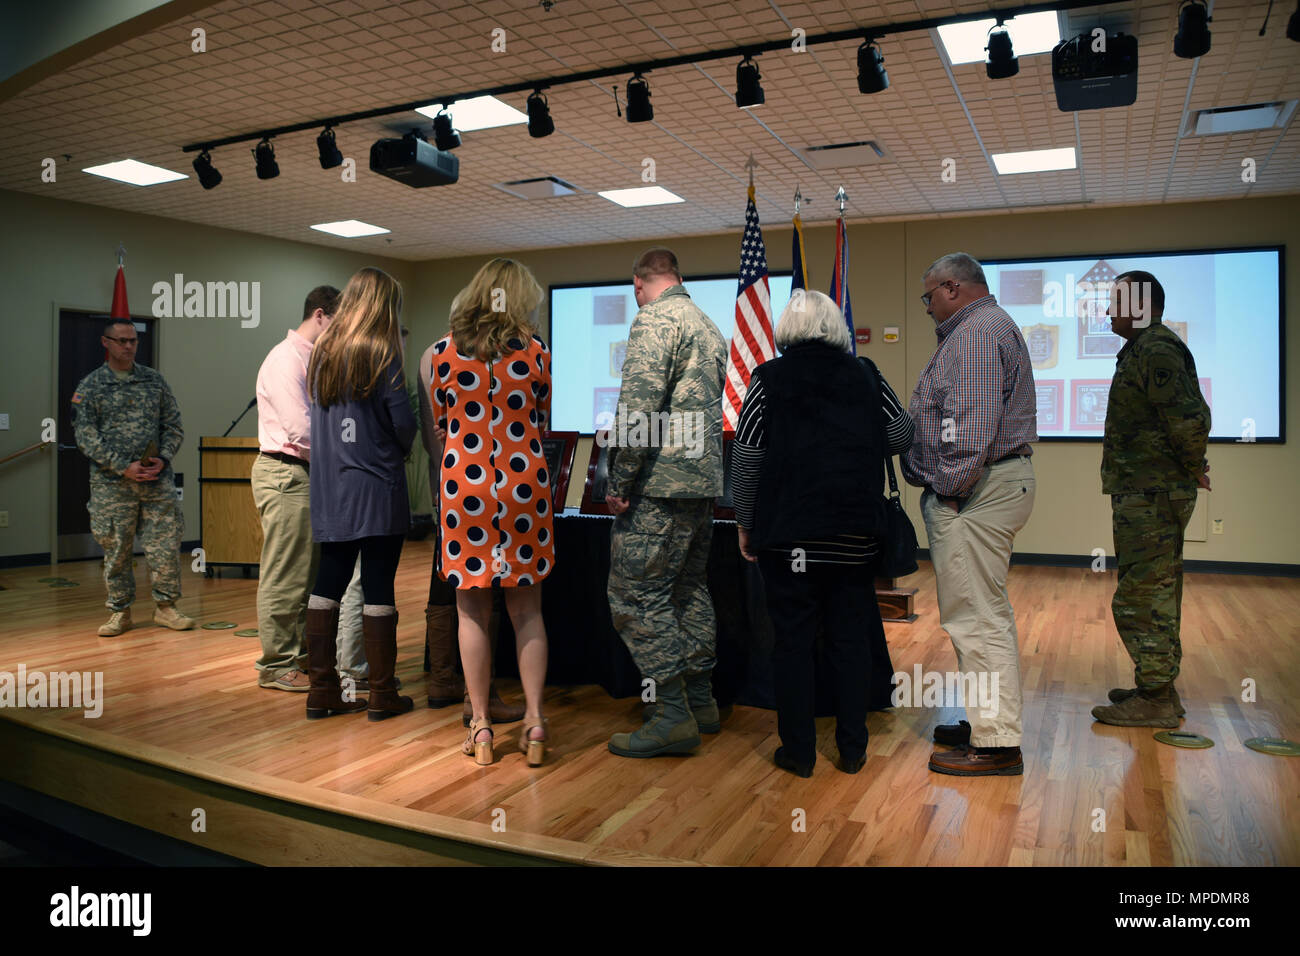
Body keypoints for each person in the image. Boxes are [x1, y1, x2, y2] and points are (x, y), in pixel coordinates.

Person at [733, 291, 913, 777]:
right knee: (850, 640)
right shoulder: (866, 375)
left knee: (792, 642)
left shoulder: (769, 379)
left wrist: (745, 523)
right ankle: (853, 750)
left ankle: (799, 752)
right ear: (836, 327)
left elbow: (747, 457)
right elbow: (902, 436)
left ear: (785, 330)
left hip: (789, 536)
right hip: (855, 533)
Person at [902, 252, 1037, 777]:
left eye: (928, 295)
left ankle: (997, 743)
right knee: (982, 614)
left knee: (977, 620)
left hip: (975, 491)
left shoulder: (977, 334)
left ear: (952, 288)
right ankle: (988, 720)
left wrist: (949, 490)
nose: (928, 306)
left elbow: (971, 429)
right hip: (989, 485)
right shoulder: (984, 327)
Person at [605, 247, 728, 758]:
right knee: (687, 591)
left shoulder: (654, 321)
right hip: (700, 486)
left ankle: (672, 715)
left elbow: (638, 407)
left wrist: (619, 481)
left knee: (637, 598)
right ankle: (701, 703)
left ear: (639, 283)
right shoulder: (707, 323)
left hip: (657, 488)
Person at [430, 258, 554, 766]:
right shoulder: (536, 353)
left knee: (470, 611)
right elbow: (540, 418)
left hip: (466, 488)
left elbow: (441, 422)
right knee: (527, 612)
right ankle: (535, 722)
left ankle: (480, 726)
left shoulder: (443, 352)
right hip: (524, 485)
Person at [1091, 271, 1210, 728]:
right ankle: (1157, 687)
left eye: (1115, 302)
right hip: (1147, 487)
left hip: (1153, 491)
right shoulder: (1146, 348)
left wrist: (1194, 463)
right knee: (1157, 588)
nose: (1107, 312)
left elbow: (1187, 417)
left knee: (1143, 594)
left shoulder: (1157, 349)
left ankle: (1156, 696)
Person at [304, 267, 417, 721]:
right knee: (377, 584)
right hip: (376, 487)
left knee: (327, 581)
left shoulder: (322, 352)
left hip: (331, 487)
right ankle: (382, 694)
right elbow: (403, 423)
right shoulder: (381, 351)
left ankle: (321, 690)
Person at [419, 337, 522, 725]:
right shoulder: (515, 352)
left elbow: (436, 429)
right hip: (497, 487)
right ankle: (476, 696)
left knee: (450, 585)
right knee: (489, 597)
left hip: (451, 483)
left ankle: (445, 684)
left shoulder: (433, 353)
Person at [73, 318, 194, 636]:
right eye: (121, 340)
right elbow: (85, 436)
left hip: (156, 482)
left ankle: (166, 608)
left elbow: (174, 425)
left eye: (133, 341)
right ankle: (120, 612)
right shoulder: (91, 386)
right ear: (106, 343)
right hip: (112, 485)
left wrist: (163, 458)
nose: (128, 346)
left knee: (165, 546)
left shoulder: (154, 381)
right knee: (117, 550)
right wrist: (121, 466)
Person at [251, 285, 338, 691]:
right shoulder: (285, 360)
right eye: (339, 323)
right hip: (287, 473)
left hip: (307, 475)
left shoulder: (313, 359)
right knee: (286, 573)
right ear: (319, 315)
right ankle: (276, 664)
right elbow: (301, 430)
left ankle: (299, 658)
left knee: (307, 575)